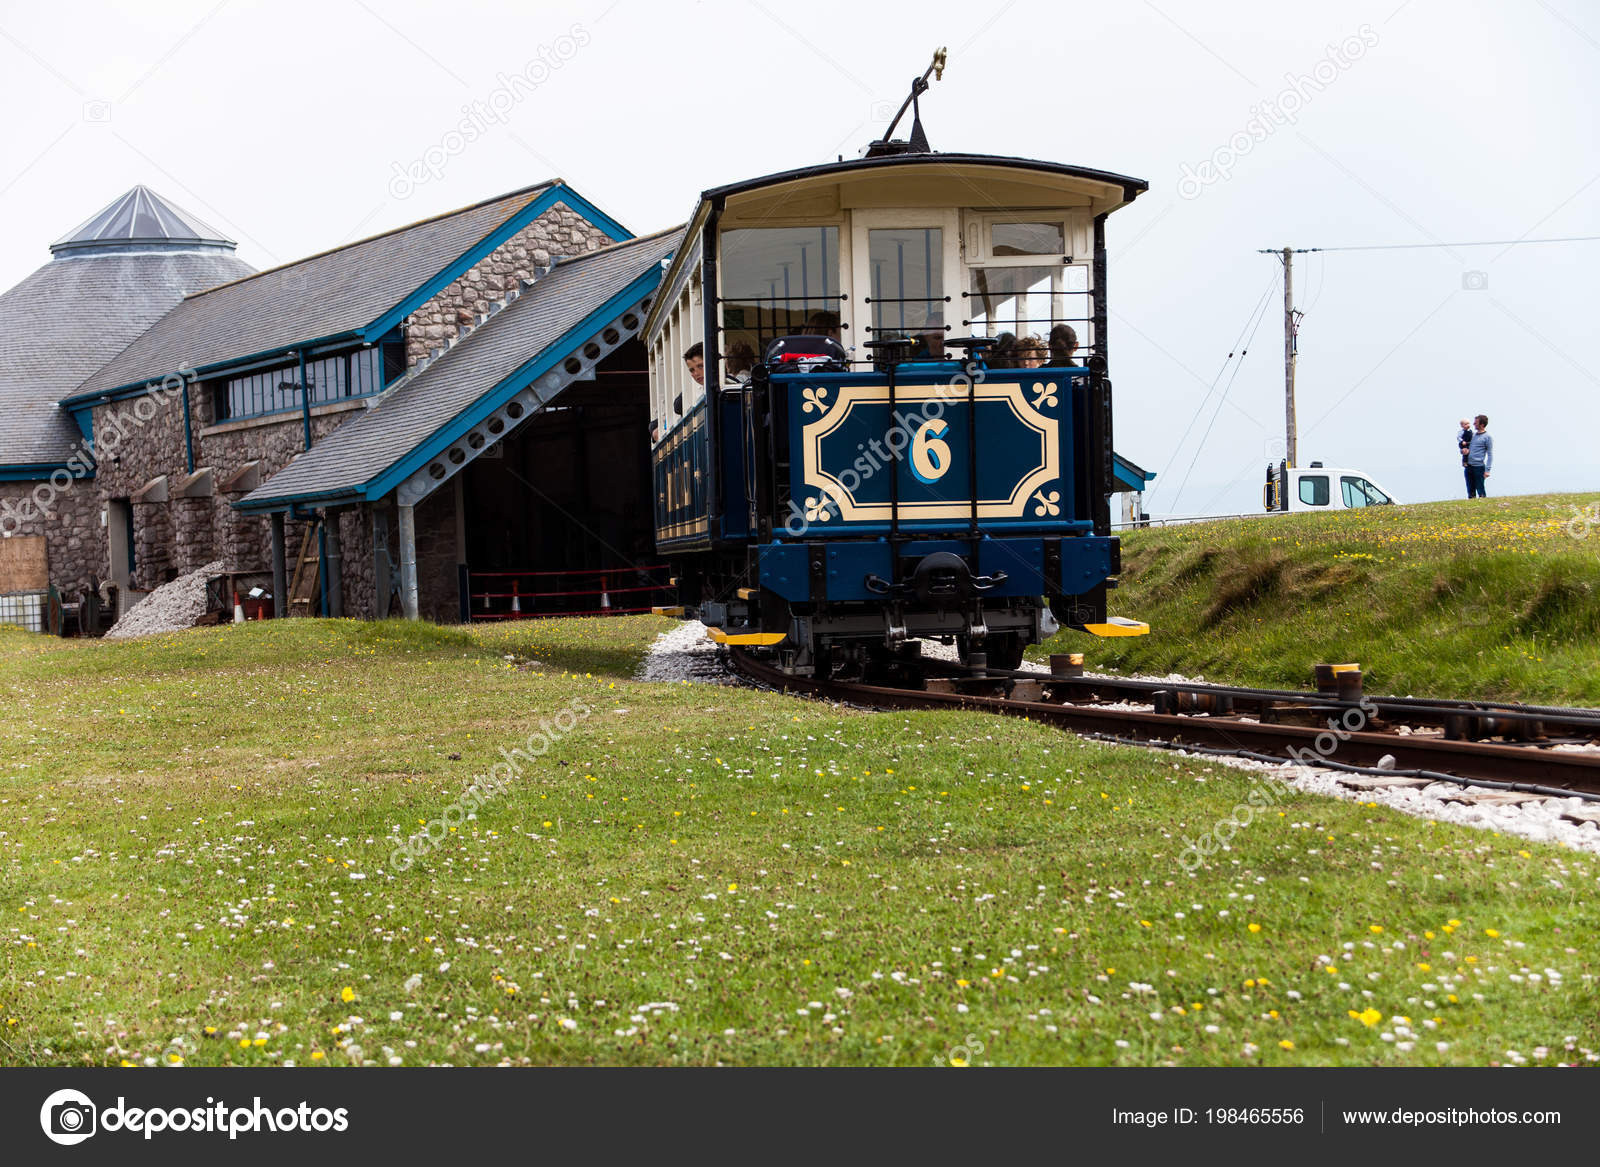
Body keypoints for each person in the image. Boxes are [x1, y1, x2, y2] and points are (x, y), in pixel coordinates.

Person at [1464, 413, 1492, 498]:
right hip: (1469, 466)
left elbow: (1490, 455)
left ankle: (1483, 506)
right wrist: (1464, 451)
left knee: (1480, 490)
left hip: (1479, 467)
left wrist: (1487, 470)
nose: (1473, 424)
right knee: (1470, 491)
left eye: (1476, 423)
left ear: (1482, 424)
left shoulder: (1487, 437)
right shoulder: (1473, 435)